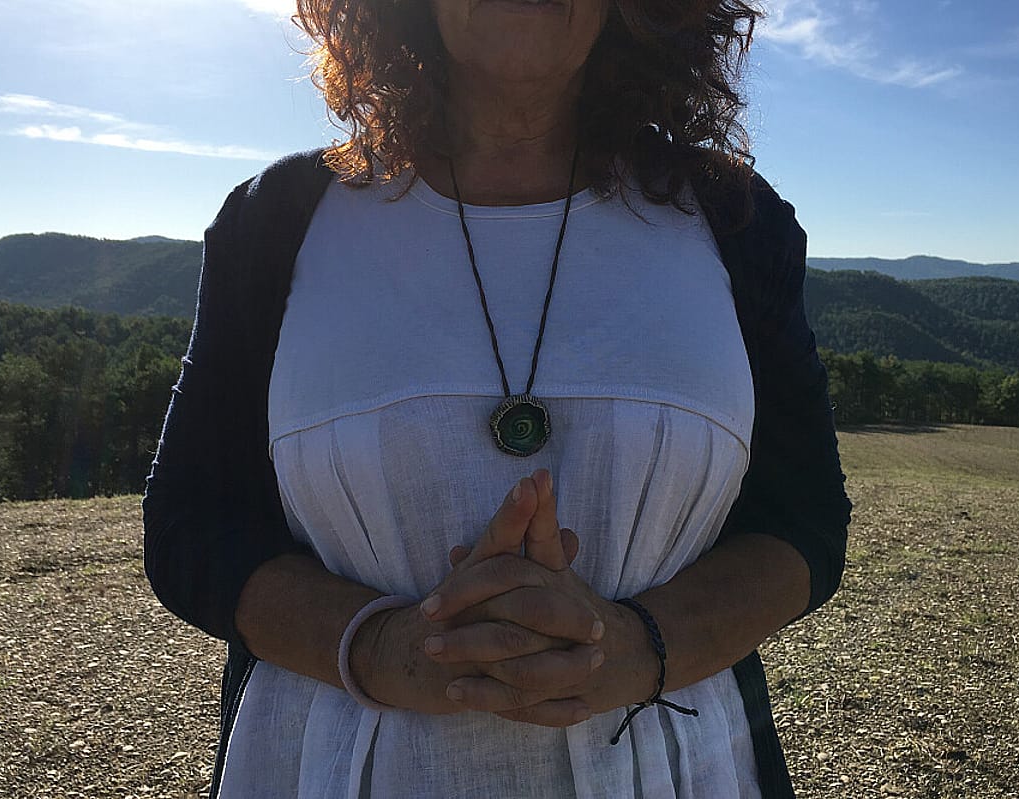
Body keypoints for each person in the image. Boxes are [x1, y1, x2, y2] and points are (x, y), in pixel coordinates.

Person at [143, 0, 852, 796]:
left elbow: (804, 521)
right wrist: (378, 647)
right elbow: (188, 524)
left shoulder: (733, 220)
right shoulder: (276, 221)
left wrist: (638, 645)